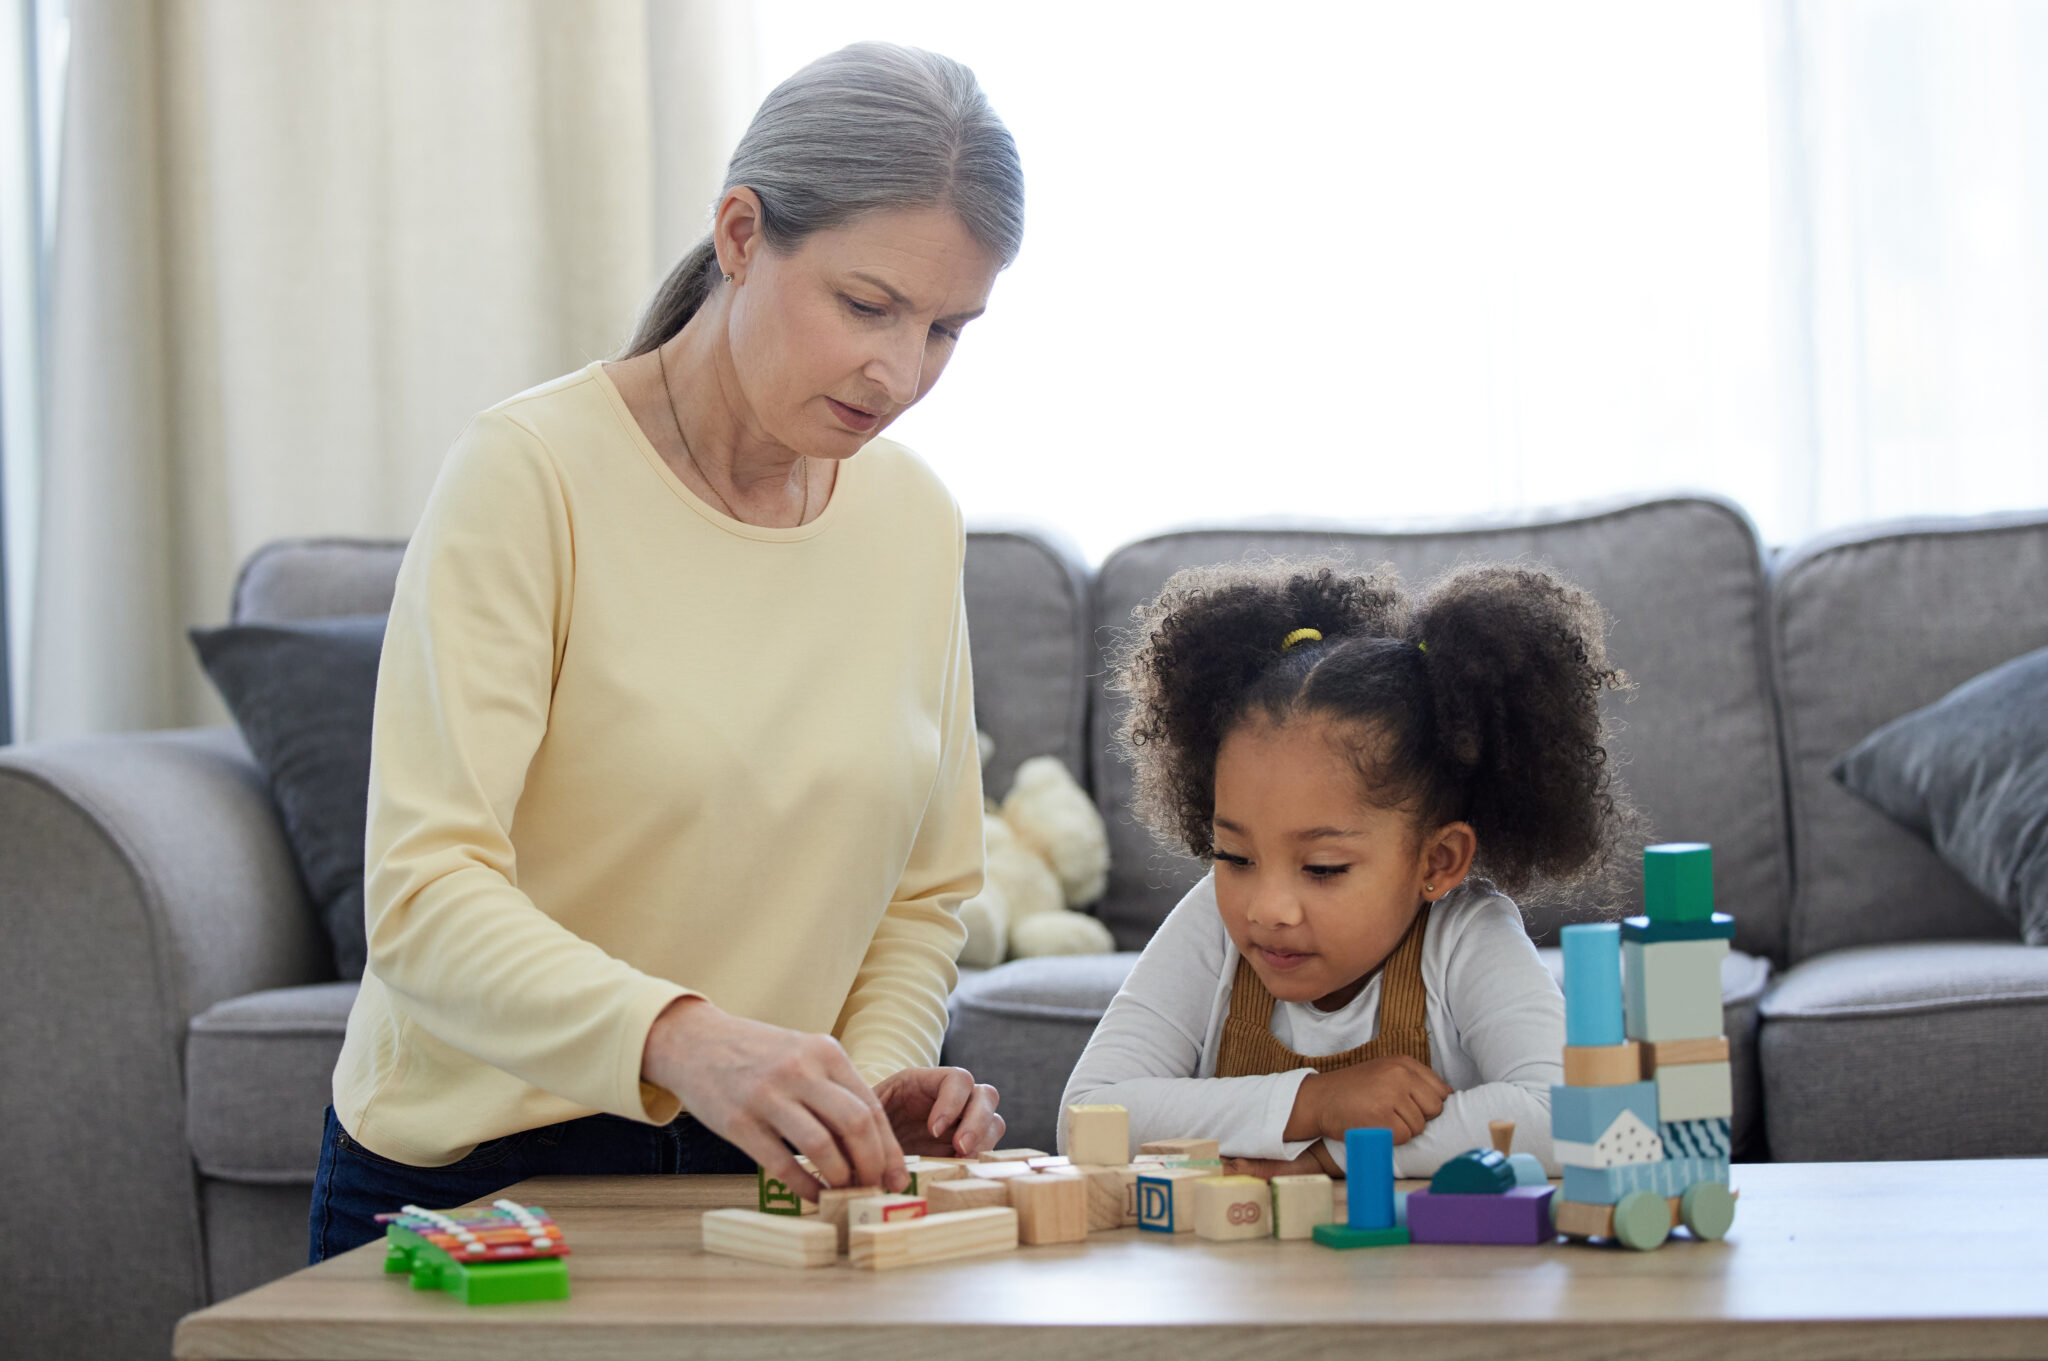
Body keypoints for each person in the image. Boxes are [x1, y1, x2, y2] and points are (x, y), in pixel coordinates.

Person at [309, 42, 1023, 1262]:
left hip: (764, 1183)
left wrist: (867, 1084)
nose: (900, 374)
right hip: (480, 1172)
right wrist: (683, 1038)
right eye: (866, 306)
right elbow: (425, 899)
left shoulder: (913, 518)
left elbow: (923, 895)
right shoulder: (528, 476)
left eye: (947, 329)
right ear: (741, 234)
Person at [1060, 560, 1637, 1178]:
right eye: (1235, 857)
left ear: (1437, 861)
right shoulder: (1210, 923)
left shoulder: (1467, 935)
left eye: (1324, 868)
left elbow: (1570, 1114)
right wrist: (1317, 1104)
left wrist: (1325, 1155)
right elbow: (1088, 1115)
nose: (1266, 907)